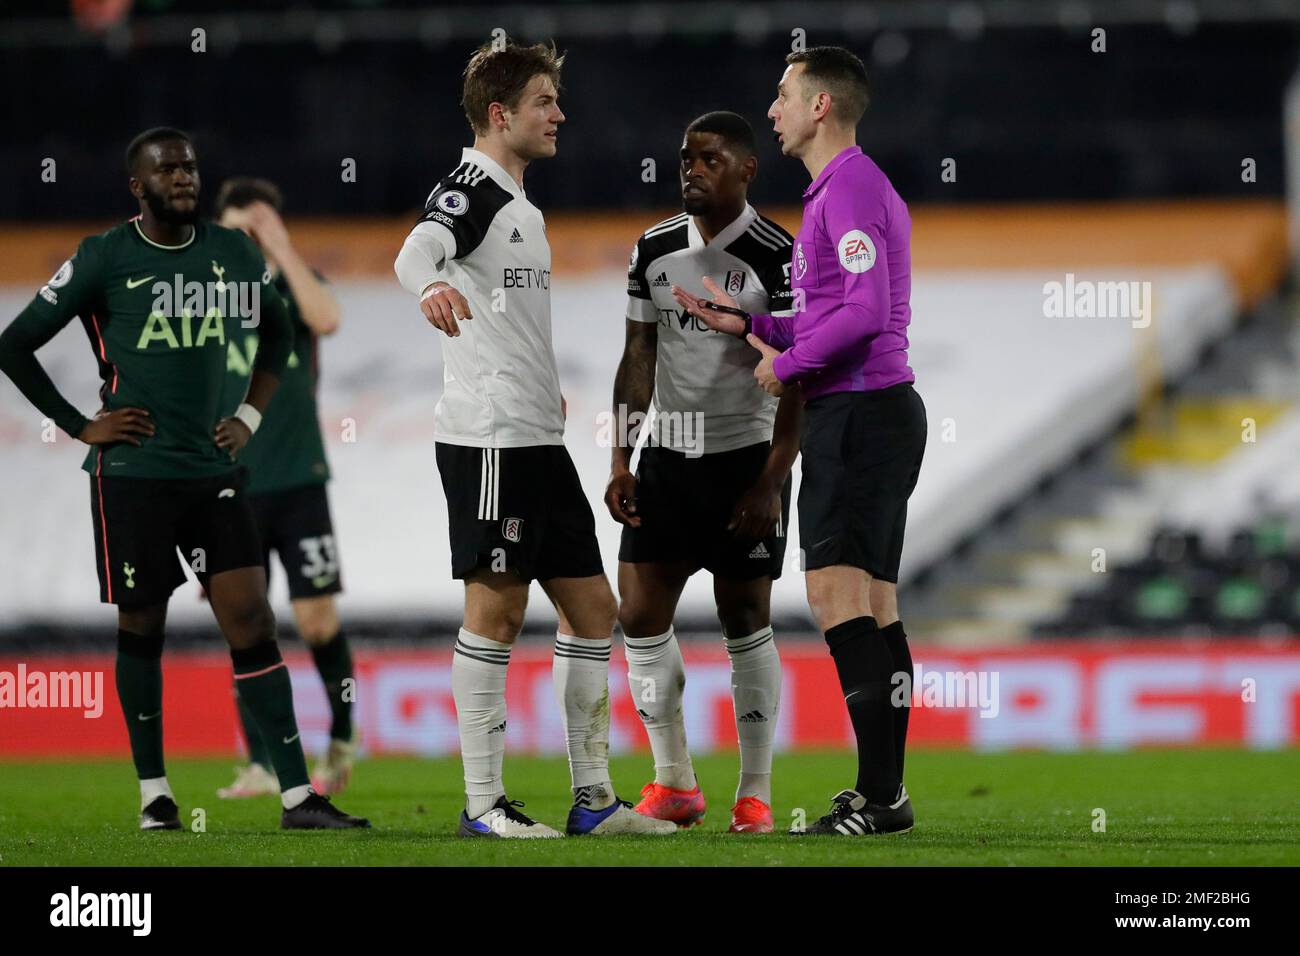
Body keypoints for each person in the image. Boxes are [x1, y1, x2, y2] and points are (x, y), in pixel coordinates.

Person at [0, 127, 368, 830]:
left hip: (215, 473)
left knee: (253, 620)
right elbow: (13, 345)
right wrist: (80, 425)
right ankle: (155, 795)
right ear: (136, 186)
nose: (183, 177)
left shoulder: (233, 254)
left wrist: (252, 419)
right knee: (143, 626)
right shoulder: (104, 257)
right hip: (132, 474)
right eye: (166, 169)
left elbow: (285, 335)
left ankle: (297, 797)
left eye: (190, 166)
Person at [394, 40, 676, 838]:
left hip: (536, 437)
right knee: (497, 612)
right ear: (500, 114)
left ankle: (594, 804)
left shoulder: (519, 203)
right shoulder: (471, 189)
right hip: (488, 440)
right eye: (545, 102)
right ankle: (483, 805)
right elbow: (415, 251)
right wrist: (433, 285)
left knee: (593, 608)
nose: (560, 115)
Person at [673, 47, 927, 836]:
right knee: (876, 609)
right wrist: (752, 325)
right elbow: (833, 311)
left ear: (821, 106)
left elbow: (861, 314)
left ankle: (881, 798)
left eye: (784, 95)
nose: (773, 109)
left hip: (860, 415)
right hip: (877, 414)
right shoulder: (844, 189)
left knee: (834, 598)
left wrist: (790, 363)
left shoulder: (847, 187)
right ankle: (885, 794)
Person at [606, 111, 799, 834]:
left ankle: (755, 793)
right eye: (685, 157)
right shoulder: (653, 247)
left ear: (747, 169)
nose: (690, 169)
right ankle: (675, 782)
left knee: (744, 617)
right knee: (639, 614)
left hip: (745, 456)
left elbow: (799, 376)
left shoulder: (778, 254)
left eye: (709, 159)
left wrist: (771, 482)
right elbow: (638, 356)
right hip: (667, 458)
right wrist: (623, 454)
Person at [213, 177, 356, 799]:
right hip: (230, 486)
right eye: (235, 230)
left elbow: (327, 318)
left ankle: (342, 742)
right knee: (243, 617)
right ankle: (261, 763)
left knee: (317, 619)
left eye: (256, 229)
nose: (245, 240)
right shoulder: (202, 297)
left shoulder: (294, 290)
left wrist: (281, 247)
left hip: (299, 479)